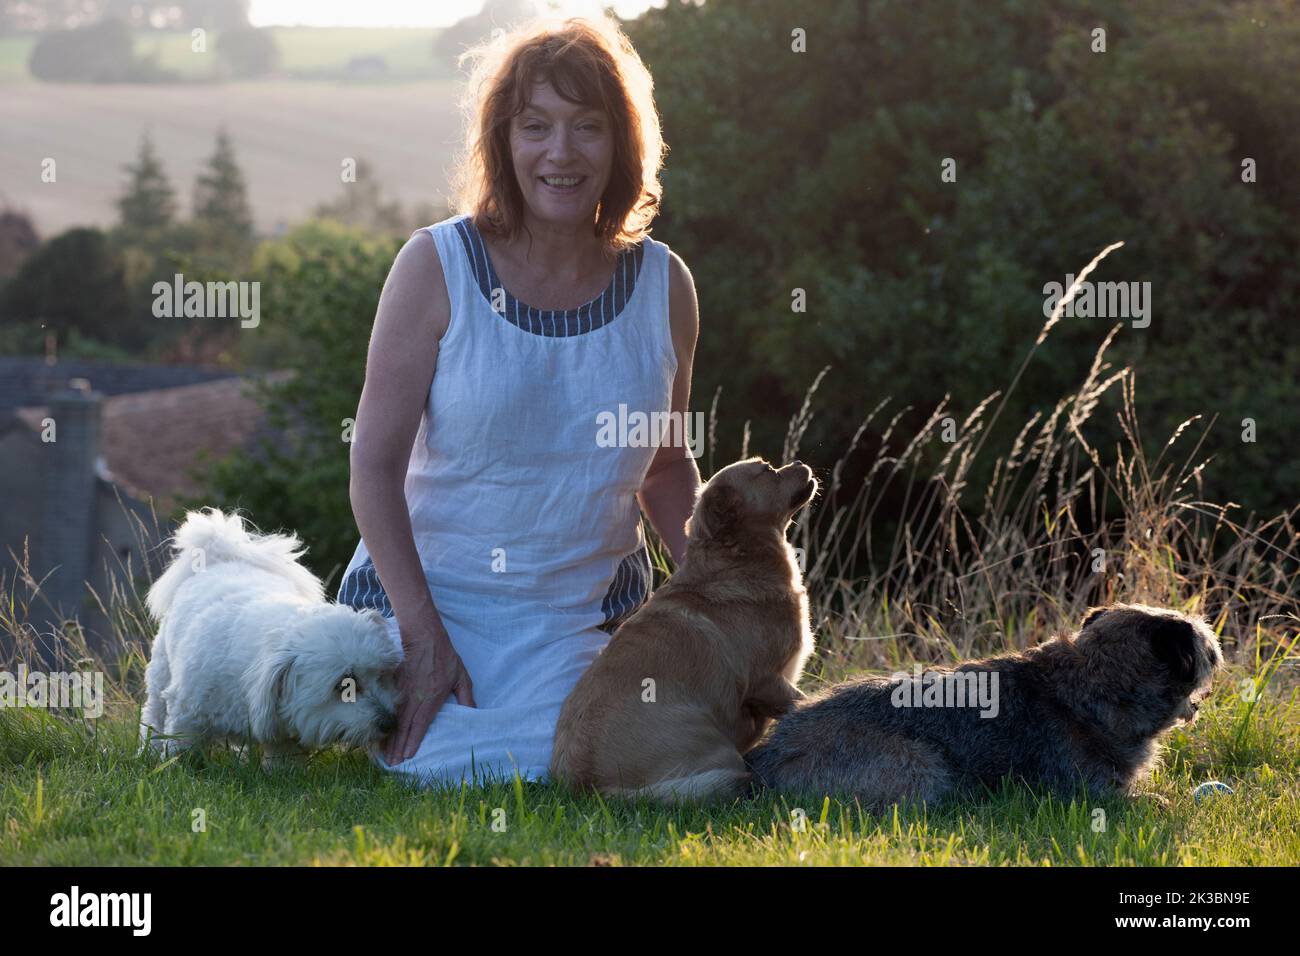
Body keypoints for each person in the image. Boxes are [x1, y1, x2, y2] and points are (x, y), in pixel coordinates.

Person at [337, 15, 702, 786]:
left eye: (587, 127)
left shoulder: (666, 286)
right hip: (429, 608)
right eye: (535, 126)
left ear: (622, 142)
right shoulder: (434, 266)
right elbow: (372, 469)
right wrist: (424, 636)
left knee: (620, 760)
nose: (560, 154)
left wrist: (719, 590)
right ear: (502, 142)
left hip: (578, 626)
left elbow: (666, 468)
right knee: (441, 767)